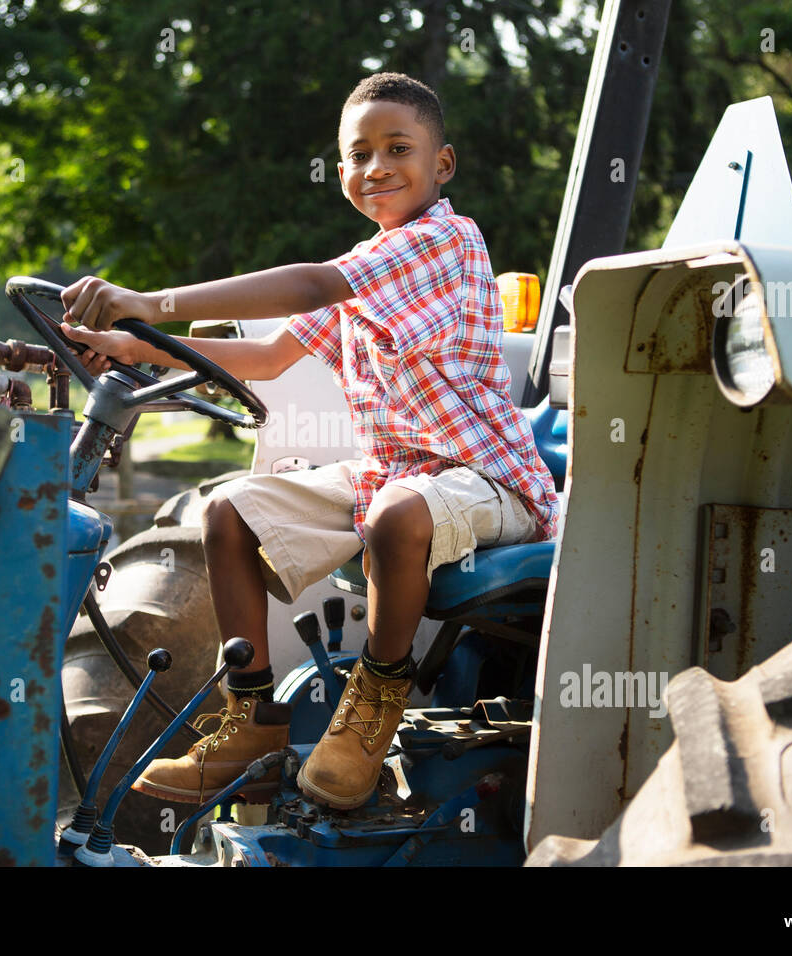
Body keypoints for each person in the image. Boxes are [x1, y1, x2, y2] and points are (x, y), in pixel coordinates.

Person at [58, 72, 559, 811]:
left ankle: (374, 709)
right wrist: (132, 344)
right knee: (227, 511)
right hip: (395, 473)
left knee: (396, 513)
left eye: (398, 148)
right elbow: (265, 359)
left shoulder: (444, 242)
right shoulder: (369, 269)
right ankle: (253, 722)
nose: (376, 167)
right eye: (358, 155)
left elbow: (309, 286)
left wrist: (150, 301)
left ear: (442, 165)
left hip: (487, 479)